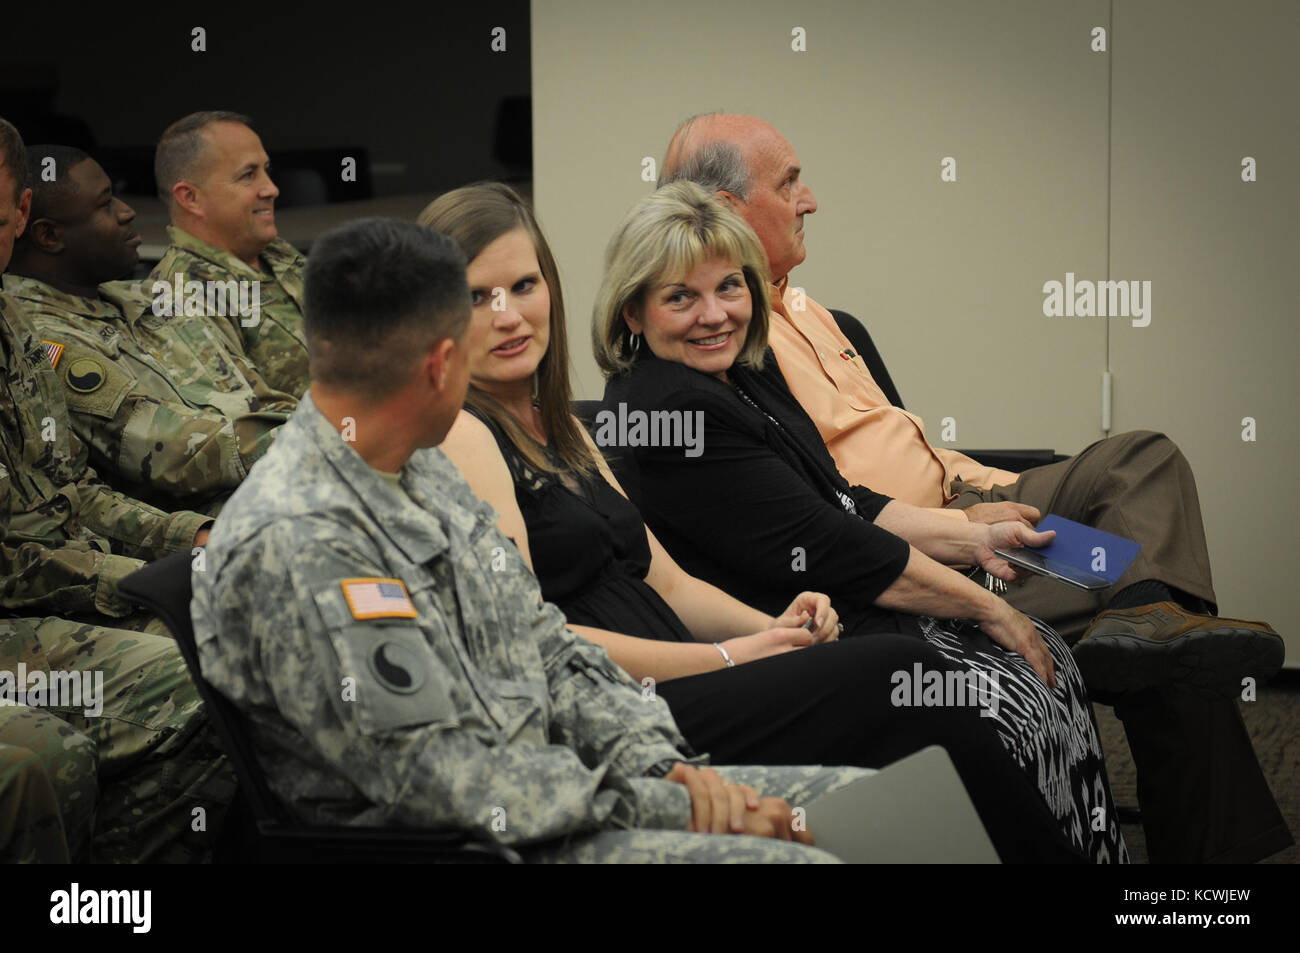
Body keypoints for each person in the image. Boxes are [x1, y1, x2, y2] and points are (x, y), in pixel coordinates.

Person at [660, 113, 1291, 863]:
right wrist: (961, 526)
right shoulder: (730, 340)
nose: (811, 200)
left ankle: (1144, 619)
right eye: (790, 182)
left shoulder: (822, 314)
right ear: (728, 209)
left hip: (971, 510)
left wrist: (983, 484)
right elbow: (820, 500)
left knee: (1151, 540)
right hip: (927, 552)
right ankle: (1211, 858)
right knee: (1155, 596)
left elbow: (908, 436)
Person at [423, 183, 1106, 862]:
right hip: (620, 708)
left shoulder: (567, 425)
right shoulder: (465, 432)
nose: (508, 315)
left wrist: (773, 632)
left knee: (928, 683)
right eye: (478, 296)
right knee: (899, 675)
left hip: (698, 671)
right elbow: (524, 645)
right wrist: (731, 655)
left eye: (523, 285)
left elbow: (672, 584)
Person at [192, 215, 879, 864]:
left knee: (876, 811)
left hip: (562, 792)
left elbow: (542, 641)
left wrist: (662, 762)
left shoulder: (420, 466)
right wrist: (664, 804)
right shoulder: (302, 538)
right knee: (808, 856)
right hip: (469, 842)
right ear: (441, 363)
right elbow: (439, 780)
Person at [0, 116, 235, 862]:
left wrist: (190, 542)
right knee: (206, 689)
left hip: (57, 593)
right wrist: (139, 581)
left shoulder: (9, 323)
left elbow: (72, 493)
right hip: (17, 613)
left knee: (244, 650)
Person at [4, 144, 296, 514]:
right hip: (215, 521)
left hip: (287, 477)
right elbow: (167, 451)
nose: (127, 212)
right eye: (105, 204)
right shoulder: (40, 341)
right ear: (49, 236)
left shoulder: (148, 298)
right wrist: (314, 443)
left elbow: (258, 394)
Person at [150, 111, 309, 398]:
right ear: (191, 198)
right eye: (248, 175)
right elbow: (249, 424)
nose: (271, 188)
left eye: (266, 170)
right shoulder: (182, 297)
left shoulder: (275, 253)